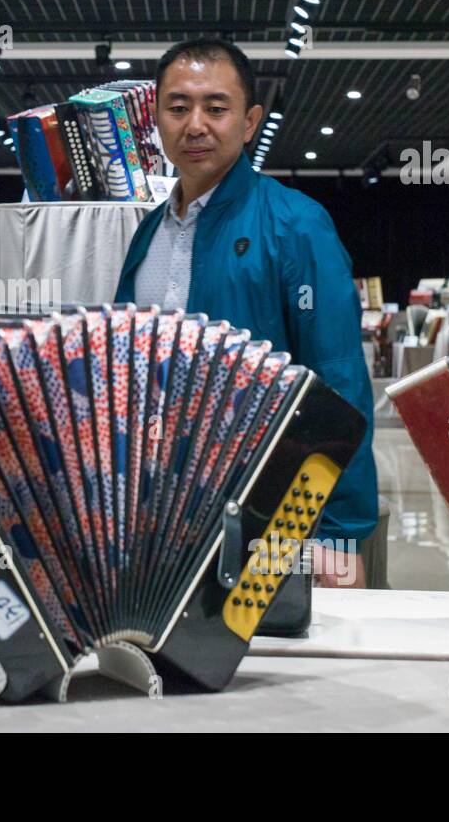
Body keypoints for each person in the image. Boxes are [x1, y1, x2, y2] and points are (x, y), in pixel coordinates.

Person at [114, 37, 376, 588]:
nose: (195, 125)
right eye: (178, 107)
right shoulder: (146, 236)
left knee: (268, 669)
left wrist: (338, 533)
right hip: (155, 513)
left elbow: (339, 381)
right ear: (155, 119)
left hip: (264, 511)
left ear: (250, 120)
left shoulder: (297, 226)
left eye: (216, 107)